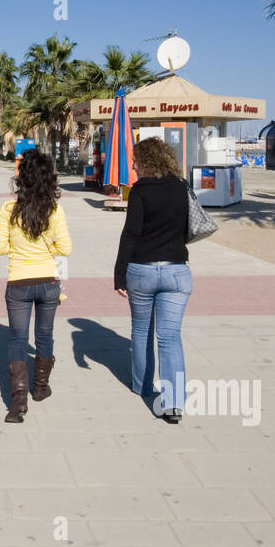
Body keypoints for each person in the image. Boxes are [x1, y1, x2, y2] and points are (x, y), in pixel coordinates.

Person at [112, 137, 192, 424]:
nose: (133, 164)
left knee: (142, 331)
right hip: (176, 270)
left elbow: (130, 234)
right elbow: (186, 229)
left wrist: (119, 273)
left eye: (136, 160)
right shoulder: (182, 188)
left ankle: (142, 386)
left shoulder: (140, 191)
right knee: (170, 337)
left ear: (146, 162)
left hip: (142, 270)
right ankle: (173, 404)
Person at [0, 150, 71, 424]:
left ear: (21, 177)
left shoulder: (8, 210)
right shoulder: (55, 210)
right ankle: (40, 388)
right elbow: (66, 248)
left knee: (17, 339)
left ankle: (18, 402)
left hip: (19, 283)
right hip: (48, 283)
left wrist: (19, 245)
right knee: (45, 336)